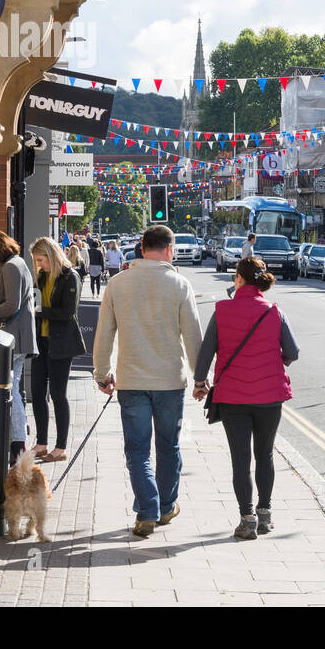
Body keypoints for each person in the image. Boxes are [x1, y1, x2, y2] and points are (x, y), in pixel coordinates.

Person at [93, 225, 203, 537]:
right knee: (168, 447)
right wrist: (200, 379)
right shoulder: (180, 285)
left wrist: (102, 373)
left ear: (141, 248)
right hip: (169, 382)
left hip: (132, 381)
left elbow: (104, 335)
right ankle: (166, 507)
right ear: (170, 250)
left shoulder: (117, 284)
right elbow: (192, 337)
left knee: (137, 450)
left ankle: (147, 510)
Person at [193, 256, 299, 539]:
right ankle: (265, 514)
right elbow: (293, 352)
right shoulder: (274, 311)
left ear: (239, 278)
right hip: (269, 397)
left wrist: (200, 383)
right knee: (265, 454)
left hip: (233, 398)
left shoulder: (222, 310)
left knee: (240, 459)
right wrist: (275, 360)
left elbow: (207, 351)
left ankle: (247, 517)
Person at [30, 237, 86, 463]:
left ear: (51, 256)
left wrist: (39, 312)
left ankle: (60, 447)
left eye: (41, 260)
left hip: (62, 344)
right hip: (41, 342)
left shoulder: (69, 277)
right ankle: (41, 443)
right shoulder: (42, 277)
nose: (38, 265)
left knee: (57, 394)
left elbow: (67, 313)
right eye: (36, 260)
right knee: (36, 392)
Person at [0, 231, 37, 466]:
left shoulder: (11, 267)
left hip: (12, 337)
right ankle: (17, 440)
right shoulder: (15, 264)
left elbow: (11, 304)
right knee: (12, 387)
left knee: (12, 390)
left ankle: (18, 443)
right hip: (15, 336)